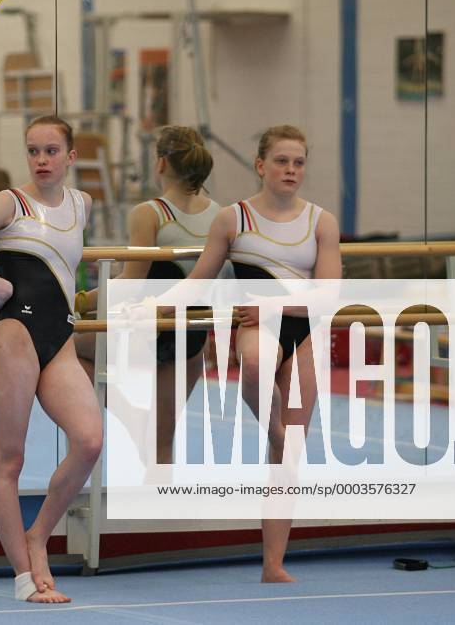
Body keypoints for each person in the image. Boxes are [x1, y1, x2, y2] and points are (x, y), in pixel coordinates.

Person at [0, 116, 102, 604]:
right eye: (33, 151)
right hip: (15, 334)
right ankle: (24, 576)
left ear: (71, 157)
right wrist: (0, 287)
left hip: (61, 336)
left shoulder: (82, 204)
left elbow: (66, 268)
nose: (42, 160)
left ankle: (38, 535)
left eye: (51, 151)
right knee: (10, 459)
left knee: (90, 441)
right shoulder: (9, 202)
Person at [180, 124, 342, 582]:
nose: (291, 170)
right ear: (260, 166)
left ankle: (273, 563)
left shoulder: (320, 221)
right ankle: (271, 426)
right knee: (254, 363)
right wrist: (148, 301)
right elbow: (200, 279)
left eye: (298, 163)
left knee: (288, 453)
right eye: (281, 161)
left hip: (303, 329)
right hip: (257, 328)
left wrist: (275, 304)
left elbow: (328, 294)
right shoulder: (234, 219)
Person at [74, 125, 222, 465]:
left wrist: (80, 301)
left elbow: (131, 283)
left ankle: (129, 416)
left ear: (160, 163)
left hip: (151, 328)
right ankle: (161, 515)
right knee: (161, 445)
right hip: (193, 332)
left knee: (60, 350)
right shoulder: (221, 214)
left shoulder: (150, 212)